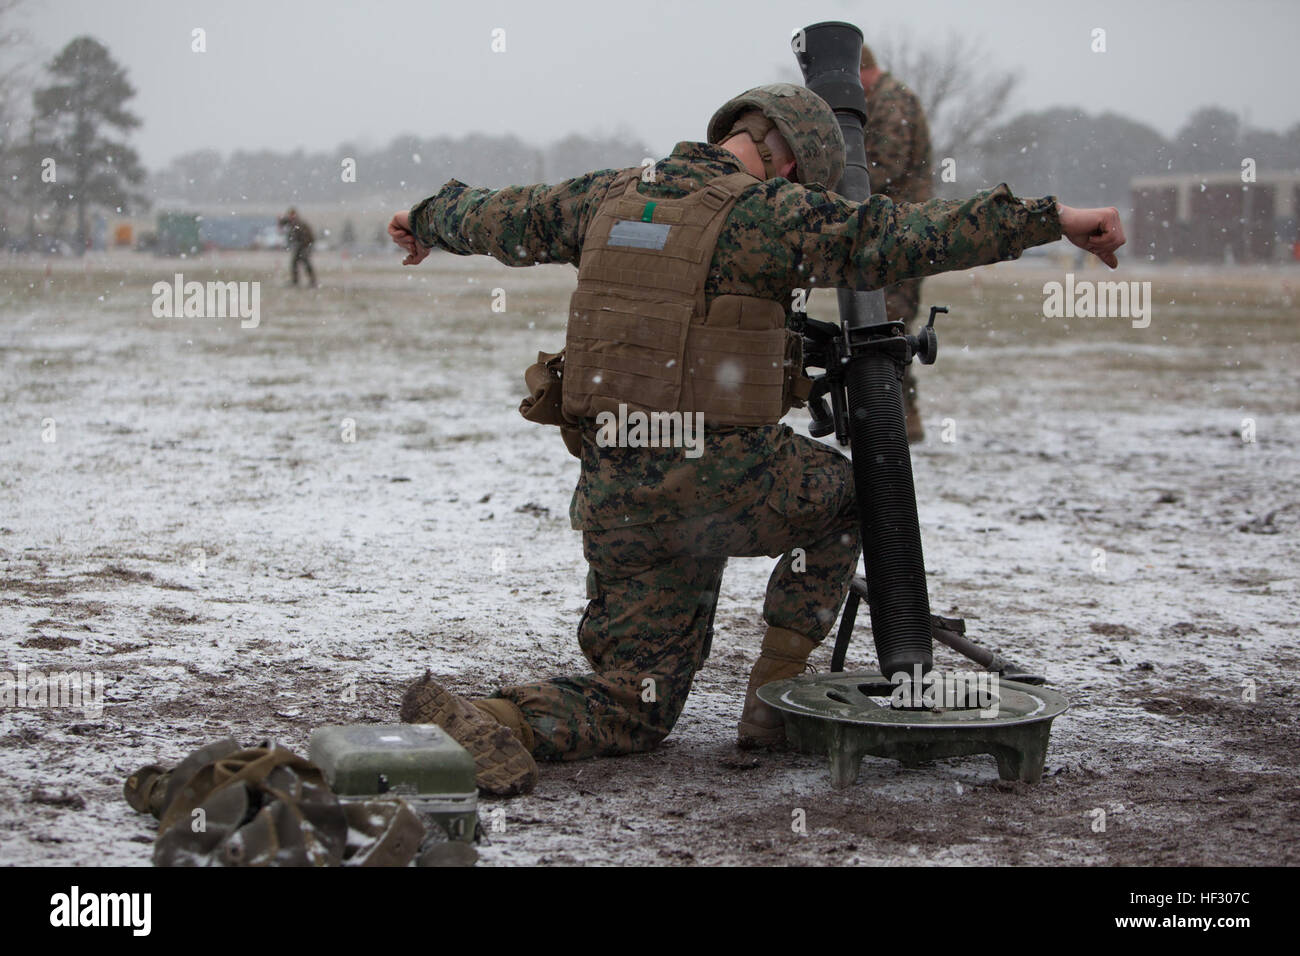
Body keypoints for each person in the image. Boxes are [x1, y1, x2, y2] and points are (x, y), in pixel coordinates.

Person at [386, 84, 1124, 796]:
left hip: (618, 497)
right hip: (726, 485)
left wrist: (424, 218)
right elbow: (901, 236)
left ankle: (491, 719)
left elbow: (494, 215)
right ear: (792, 160)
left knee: (633, 704)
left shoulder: (605, 198)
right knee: (855, 497)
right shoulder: (770, 214)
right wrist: (1052, 218)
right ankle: (773, 700)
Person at [860, 43, 934, 441]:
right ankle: (894, 415)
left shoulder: (891, 102)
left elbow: (883, 167)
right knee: (883, 327)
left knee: (889, 327)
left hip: (901, 234)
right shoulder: (885, 100)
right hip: (892, 232)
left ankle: (901, 417)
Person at [278, 207, 316, 288]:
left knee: (305, 262)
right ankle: (296, 281)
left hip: (304, 245)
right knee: (295, 263)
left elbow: (308, 237)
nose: (291, 217)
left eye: (292, 215)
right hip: (300, 246)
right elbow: (284, 222)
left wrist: (304, 246)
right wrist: (280, 220)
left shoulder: (299, 223)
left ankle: (312, 281)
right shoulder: (293, 222)